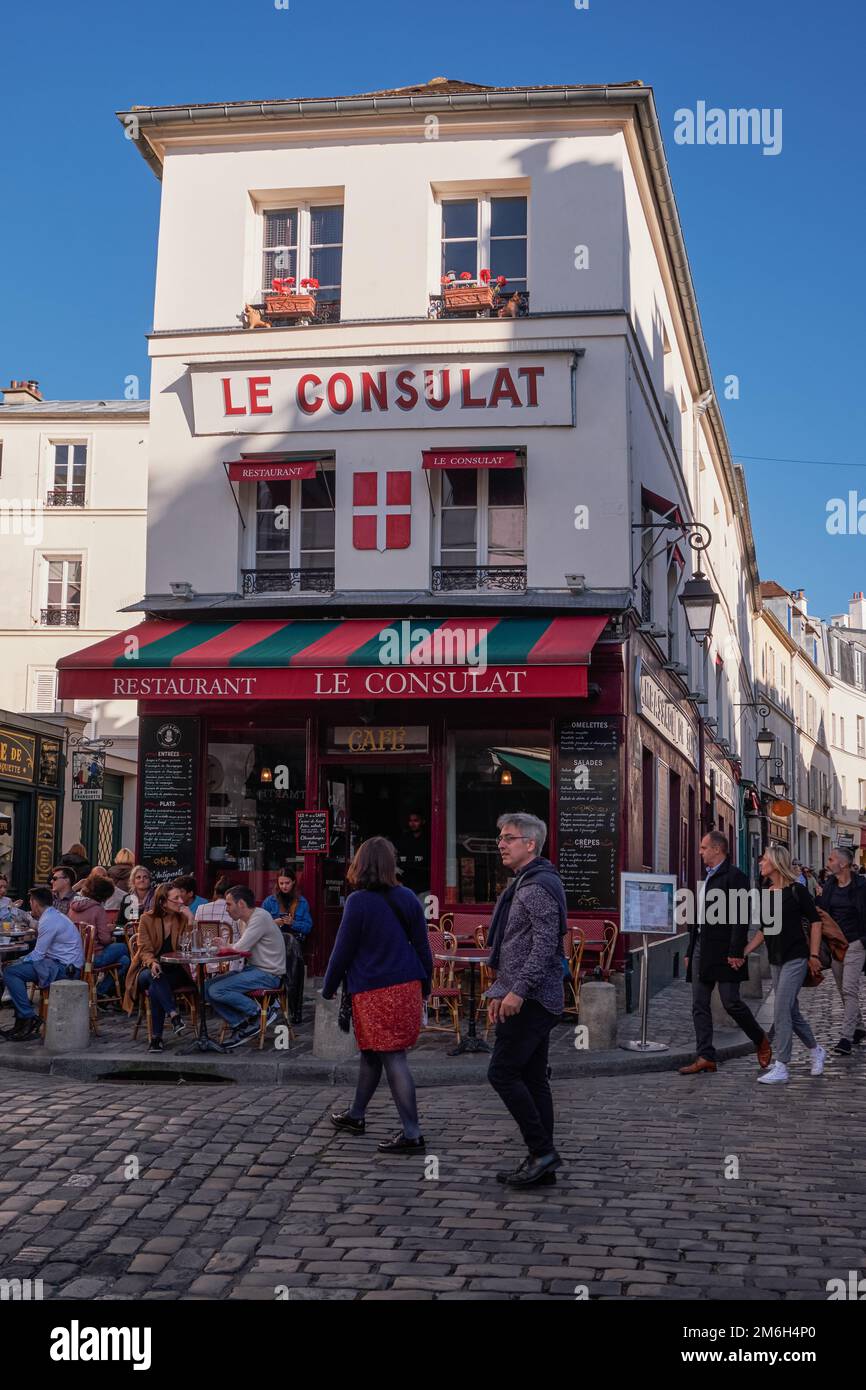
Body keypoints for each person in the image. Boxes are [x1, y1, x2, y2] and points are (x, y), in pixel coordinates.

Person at [323, 837, 432, 1152]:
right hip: (407, 985)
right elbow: (423, 948)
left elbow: (342, 952)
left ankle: (412, 1134)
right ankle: (356, 1115)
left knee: (393, 1056)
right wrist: (426, 987)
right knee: (373, 1052)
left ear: (361, 864)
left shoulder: (358, 902)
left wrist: (328, 988)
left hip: (374, 990)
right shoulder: (409, 897)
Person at [483, 812, 566, 1189]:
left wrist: (515, 991)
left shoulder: (536, 887)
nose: (501, 843)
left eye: (509, 837)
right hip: (526, 994)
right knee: (533, 1078)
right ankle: (541, 1159)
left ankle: (541, 1150)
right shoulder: (526, 882)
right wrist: (501, 988)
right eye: (500, 837)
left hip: (530, 998)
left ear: (530, 844)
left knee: (501, 1072)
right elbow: (520, 944)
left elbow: (546, 946)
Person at [680, 830, 772, 1076]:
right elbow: (698, 918)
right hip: (702, 947)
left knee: (731, 1001)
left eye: (703, 848)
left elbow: (741, 917)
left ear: (717, 849)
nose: (700, 852)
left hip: (725, 949)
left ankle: (760, 1038)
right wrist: (690, 950)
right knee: (699, 1003)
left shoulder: (735, 876)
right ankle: (705, 1056)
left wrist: (736, 951)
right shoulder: (707, 877)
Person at [743, 844, 825, 1084]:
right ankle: (816, 1050)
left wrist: (814, 955)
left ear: (776, 863)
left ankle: (782, 1065)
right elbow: (765, 930)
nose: (760, 863)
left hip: (797, 958)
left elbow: (816, 922)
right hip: (776, 958)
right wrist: (745, 951)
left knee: (780, 1009)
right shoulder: (767, 892)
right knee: (791, 1011)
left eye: (764, 860)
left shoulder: (797, 891)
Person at [205, 884, 287, 1049]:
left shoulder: (260, 917)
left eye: (229, 904)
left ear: (241, 903)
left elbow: (240, 949)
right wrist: (226, 945)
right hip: (254, 970)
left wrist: (227, 947)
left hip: (268, 974)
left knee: (216, 990)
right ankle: (241, 1024)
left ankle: (256, 1014)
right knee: (205, 988)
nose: (226, 908)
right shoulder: (244, 921)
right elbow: (241, 947)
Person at [0, 886, 85, 1041]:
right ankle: (22, 1020)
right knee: (11, 968)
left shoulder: (49, 920)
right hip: (60, 963)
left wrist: (18, 960)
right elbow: (40, 931)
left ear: (34, 903)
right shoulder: (53, 916)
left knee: (10, 972)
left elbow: (38, 955)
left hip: (65, 969)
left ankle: (27, 1017)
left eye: (30, 902)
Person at [123, 882, 191, 1052]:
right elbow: (144, 949)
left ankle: (157, 1038)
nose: (181, 901)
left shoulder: (182, 918)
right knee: (154, 976)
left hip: (175, 969)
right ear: (163, 902)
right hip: (147, 967)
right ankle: (173, 1015)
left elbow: (189, 946)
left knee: (155, 988)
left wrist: (191, 919)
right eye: (176, 898)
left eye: (180, 896)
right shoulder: (147, 919)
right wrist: (153, 962)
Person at [816, 845, 866, 1056]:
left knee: (849, 989)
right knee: (842, 989)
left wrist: (863, 941)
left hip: (856, 943)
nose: (827, 863)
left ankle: (845, 1038)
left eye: (830, 859)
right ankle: (860, 1027)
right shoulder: (829, 885)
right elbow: (822, 911)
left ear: (843, 864)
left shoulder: (862, 886)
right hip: (836, 945)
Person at [69, 874, 130, 1000]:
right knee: (125, 947)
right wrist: (110, 935)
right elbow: (105, 939)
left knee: (124, 960)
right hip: (93, 957)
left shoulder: (73, 906)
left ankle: (101, 992)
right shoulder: (98, 909)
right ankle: (101, 991)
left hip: (75, 955)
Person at [262, 869, 313, 942]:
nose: (284, 886)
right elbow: (259, 924)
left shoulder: (302, 902)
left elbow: (308, 928)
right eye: (281, 883)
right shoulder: (269, 901)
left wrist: (293, 923)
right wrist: (273, 923)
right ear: (277, 883)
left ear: (293, 881)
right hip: (273, 943)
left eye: (287, 883)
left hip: (293, 944)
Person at [395, 810, 431, 900]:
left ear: (423, 821)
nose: (412, 824)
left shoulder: (429, 839)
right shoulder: (403, 839)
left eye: (416, 820)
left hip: (424, 885)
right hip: (406, 884)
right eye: (410, 821)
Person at [117, 865, 154, 934]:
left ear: (150, 880)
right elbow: (120, 923)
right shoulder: (127, 898)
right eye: (138, 877)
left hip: (152, 935)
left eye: (145, 877)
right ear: (133, 881)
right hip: (130, 937)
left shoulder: (156, 897)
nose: (142, 880)